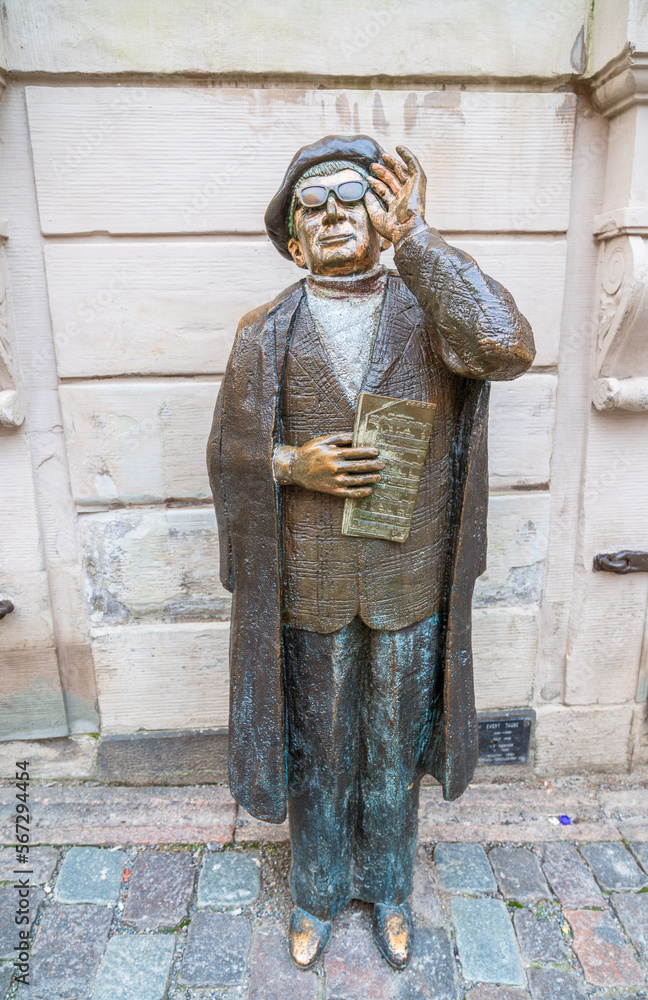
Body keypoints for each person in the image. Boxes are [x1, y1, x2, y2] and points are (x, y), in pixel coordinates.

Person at [207, 134, 535, 969]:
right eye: (309, 209)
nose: (331, 216)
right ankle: (315, 893)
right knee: (319, 742)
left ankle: (390, 887)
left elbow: (507, 348)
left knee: (391, 744)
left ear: (383, 214)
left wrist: (418, 242)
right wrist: (290, 462)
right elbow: (227, 454)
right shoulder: (263, 333)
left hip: (406, 576)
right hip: (309, 584)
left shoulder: (431, 315)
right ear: (292, 241)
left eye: (350, 196)